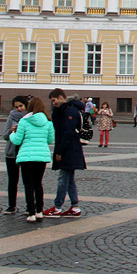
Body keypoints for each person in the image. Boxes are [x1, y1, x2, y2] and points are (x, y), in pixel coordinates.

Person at [42, 89, 86, 219]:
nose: (53, 103)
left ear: (60, 97)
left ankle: (57, 207)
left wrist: (60, 151)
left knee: (63, 179)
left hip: (69, 150)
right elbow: (57, 125)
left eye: (54, 101)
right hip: (70, 149)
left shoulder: (70, 110)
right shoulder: (64, 110)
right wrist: (57, 110)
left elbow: (68, 132)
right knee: (69, 179)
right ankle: (75, 206)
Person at [10, 97, 54, 223]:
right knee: (38, 184)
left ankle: (31, 213)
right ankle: (39, 211)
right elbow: (50, 140)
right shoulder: (48, 122)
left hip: (27, 156)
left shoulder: (24, 121)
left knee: (28, 185)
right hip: (41, 156)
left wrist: (11, 134)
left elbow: (17, 140)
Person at [2, 95, 29, 214]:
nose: (18, 109)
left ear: (26, 105)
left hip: (25, 152)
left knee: (27, 180)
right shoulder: (11, 117)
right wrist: (11, 130)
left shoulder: (30, 117)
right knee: (12, 180)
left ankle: (30, 206)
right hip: (11, 152)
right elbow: (4, 136)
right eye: (16, 107)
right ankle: (11, 205)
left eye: (21, 106)